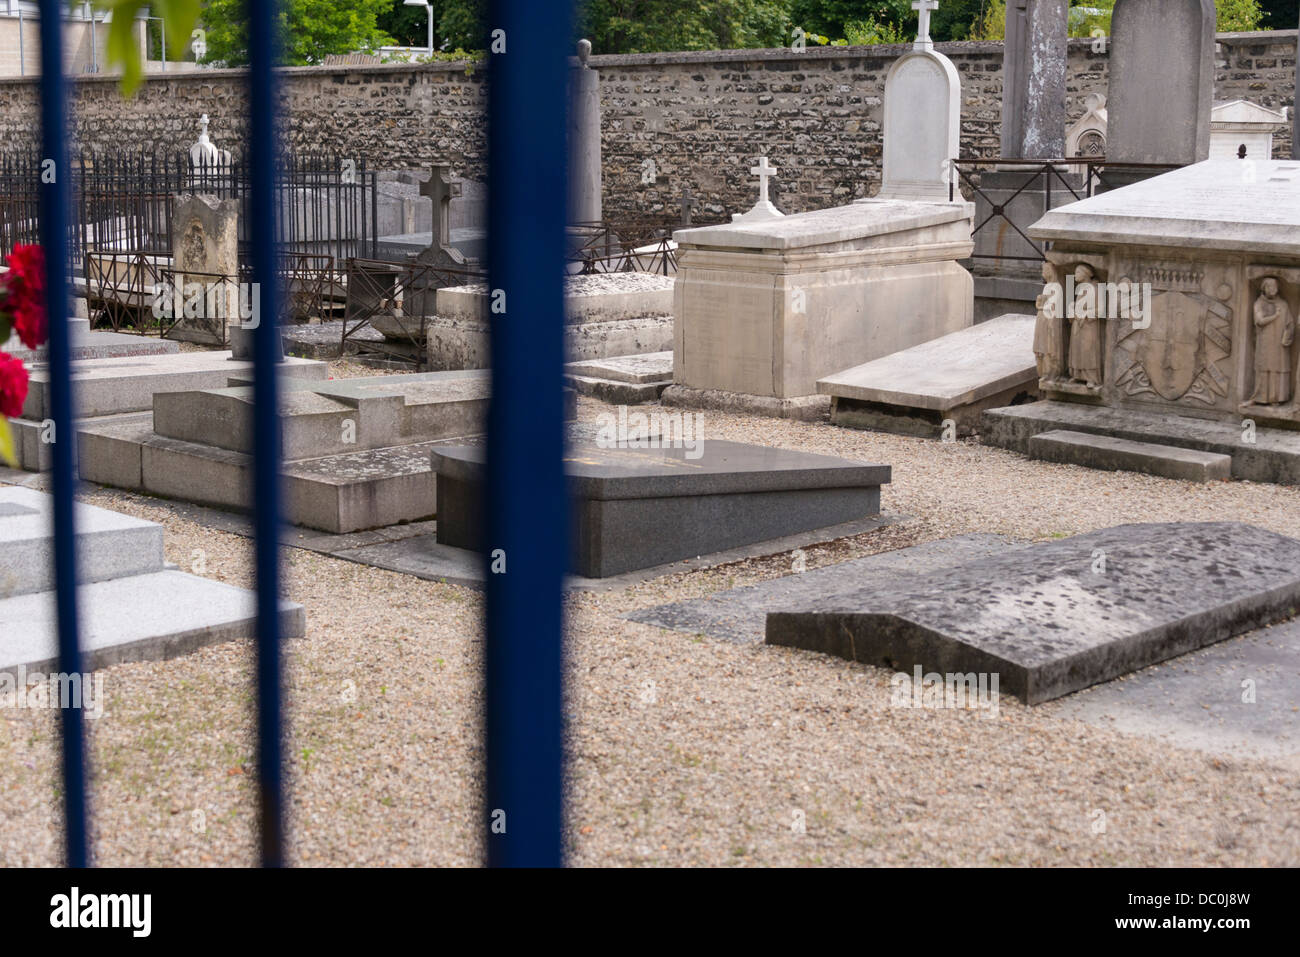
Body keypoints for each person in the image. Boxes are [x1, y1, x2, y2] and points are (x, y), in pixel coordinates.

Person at [1249, 277, 1296, 405]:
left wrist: (1288, 335)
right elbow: (1259, 321)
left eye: (1274, 286)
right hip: (1265, 342)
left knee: (1278, 368)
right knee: (1264, 368)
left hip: (1279, 344)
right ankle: (1262, 398)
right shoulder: (1259, 303)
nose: (1272, 289)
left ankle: (1277, 398)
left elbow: (1290, 323)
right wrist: (1274, 316)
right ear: (1263, 288)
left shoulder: (1283, 304)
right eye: (1269, 287)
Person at [1068, 264, 1102, 387]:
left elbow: (1100, 310)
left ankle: (1091, 378)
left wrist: (1085, 314)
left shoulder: (1095, 289)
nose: (1075, 275)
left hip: (1089, 325)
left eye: (1077, 272)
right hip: (1078, 324)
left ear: (1085, 274)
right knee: (1077, 349)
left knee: (1088, 350)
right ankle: (1077, 375)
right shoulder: (1082, 289)